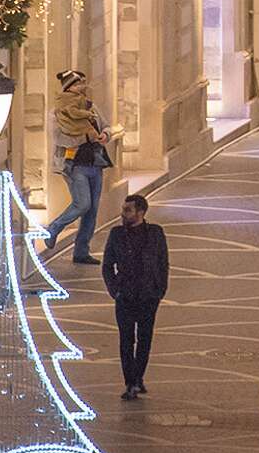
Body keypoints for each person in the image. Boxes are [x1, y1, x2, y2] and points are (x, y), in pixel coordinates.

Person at [105, 193, 170, 399]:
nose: (123, 214)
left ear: (140, 212)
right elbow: (107, 265)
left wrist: (159, 290)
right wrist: (114, 290)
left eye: (127, 210)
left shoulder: (155, 233)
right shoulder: (116, 234)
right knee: (126, 340)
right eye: (124, 210)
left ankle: (138, 377)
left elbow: (163, 263)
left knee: (144, 338)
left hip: (148, 295)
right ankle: (130, 382)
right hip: (125, 295)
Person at [47, 69, 113, 264]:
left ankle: (81, 251)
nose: (81, 88)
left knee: (92, 210)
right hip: (75, 164)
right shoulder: (57, 113)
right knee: (82, 204)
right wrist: (85, 137)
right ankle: (53, 228)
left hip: (95, 161)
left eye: (82, 83)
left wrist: (105, 136)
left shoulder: (91, 108)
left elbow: (106, 126)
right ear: (67, 88)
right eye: (77, 84)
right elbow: (60, 138)